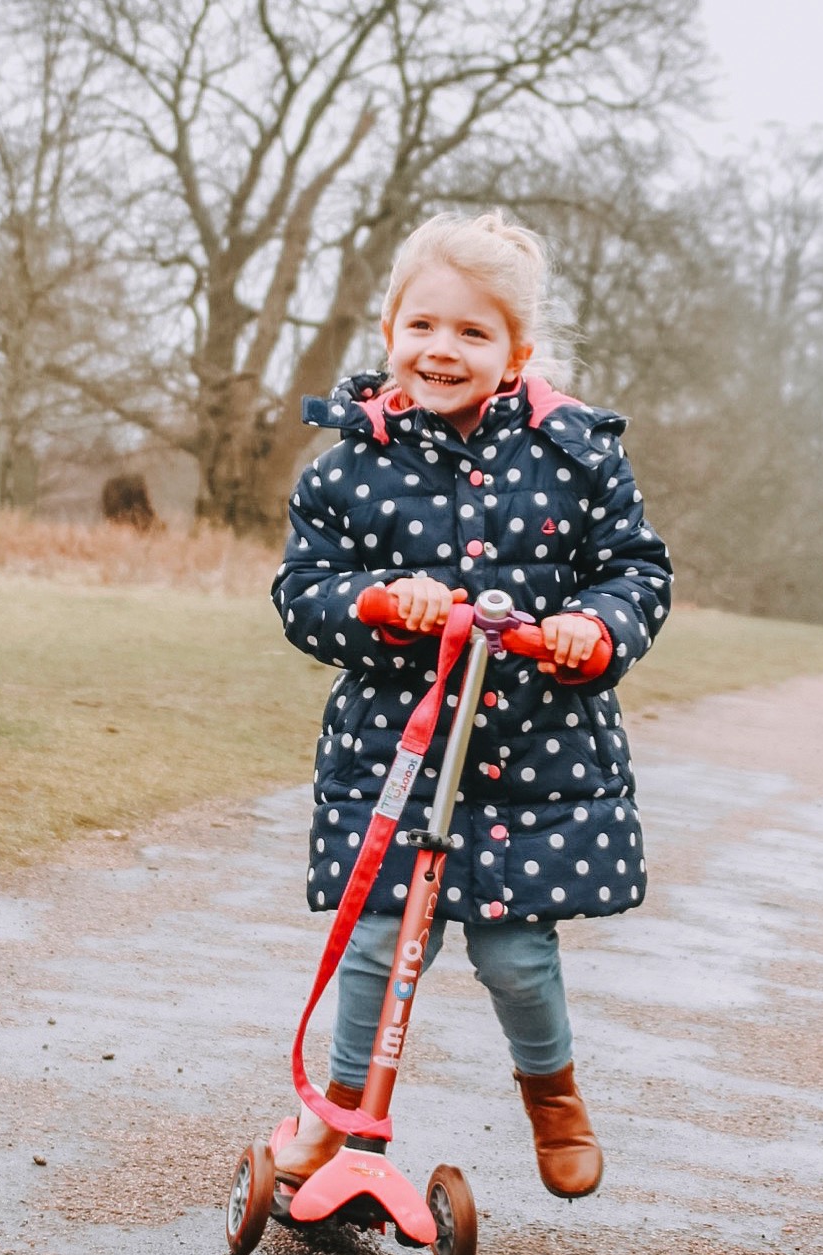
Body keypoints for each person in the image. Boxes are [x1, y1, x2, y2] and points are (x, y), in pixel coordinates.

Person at [271, 212, 672, 1199]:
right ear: (388, 329)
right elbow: (303, 592)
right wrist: (376, 603)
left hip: (528, 753)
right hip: (394, 750)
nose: (441, 350)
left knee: (514, 953)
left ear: (515, 352)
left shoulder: (575, 456)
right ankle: (342, 1111)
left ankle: (554, 1099)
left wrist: (594, 626)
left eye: (471, 333)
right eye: (423, 326)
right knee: (374, 943)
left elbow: (634, 567)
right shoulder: (346, 464)